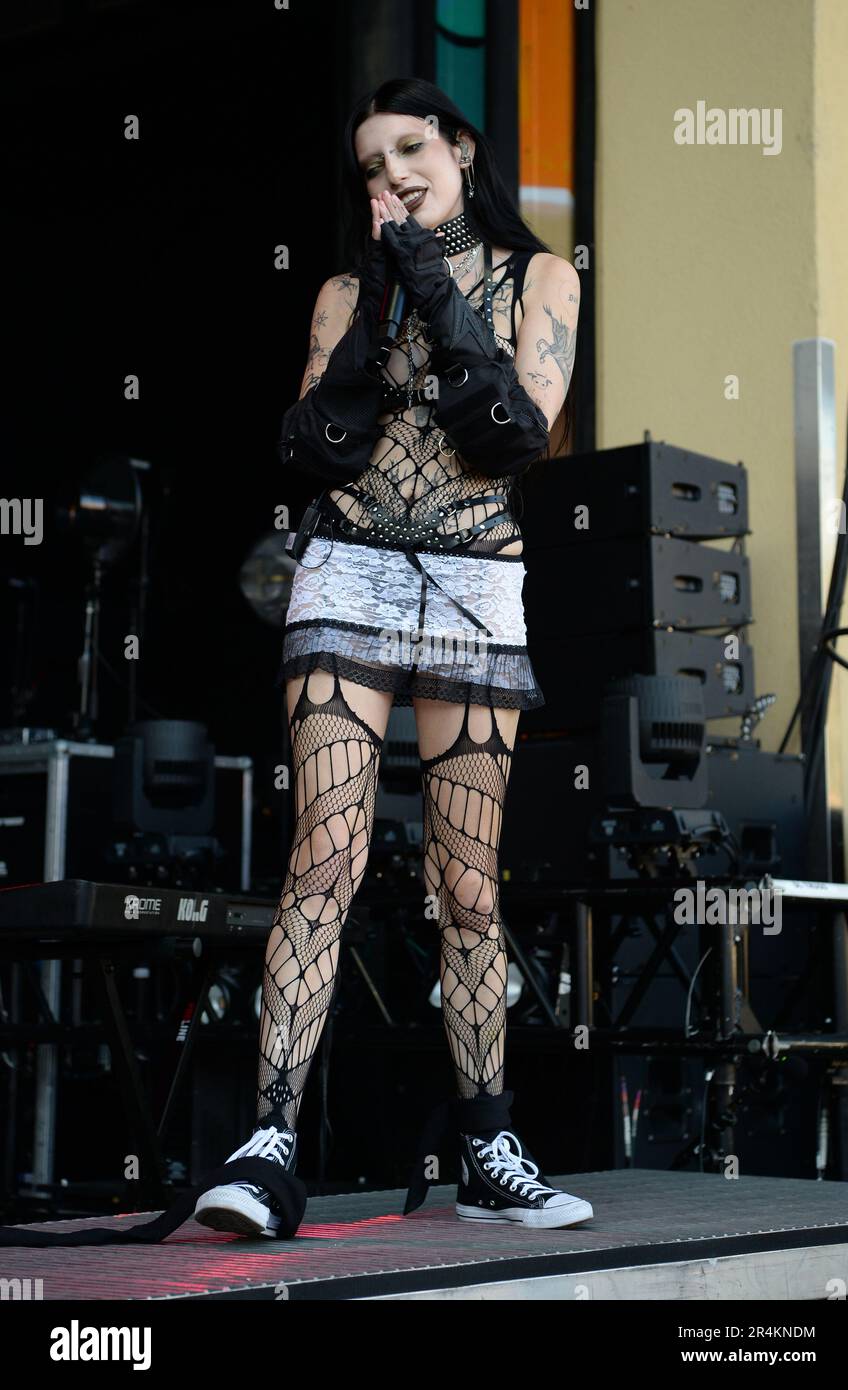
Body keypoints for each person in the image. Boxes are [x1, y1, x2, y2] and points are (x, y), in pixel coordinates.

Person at [194, 77, 593, 1237]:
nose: (392, 178)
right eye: (371, 167)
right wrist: (383, 294)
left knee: (466, 885)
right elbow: (315, 444)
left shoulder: (539, 279)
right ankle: (265, 1148)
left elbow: (516, 432)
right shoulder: (336, 292)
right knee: (324, 853)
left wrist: (429, 277)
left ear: (459, 151)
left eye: (409, 150)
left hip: (475, 584)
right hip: (348, 569)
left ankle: (487, 1144)